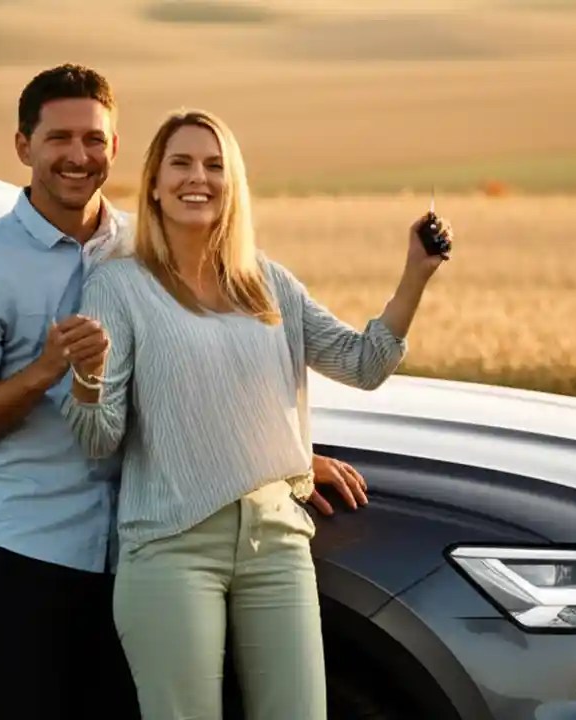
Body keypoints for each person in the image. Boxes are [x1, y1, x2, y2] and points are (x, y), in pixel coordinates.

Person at [0, 64, 377, 719]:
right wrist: (43, 370)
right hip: (34, 553)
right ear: (24, 147)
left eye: (93, 139)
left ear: (116, 149)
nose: (78, 156)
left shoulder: (145, 248)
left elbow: (193, 377)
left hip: (151, 549)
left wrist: (274, 458)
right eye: (59, 139)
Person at [58, 109, 451, 720]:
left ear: (232, 183)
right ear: (155, 184)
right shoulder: (118, 286)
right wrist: (87, 375)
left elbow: (363, 363)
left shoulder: (267, 282)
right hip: (171, 548)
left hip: (278, 542)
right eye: (181, 163)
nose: (199, 178)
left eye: (215, 166)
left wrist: (414, 276)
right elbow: (98, 438)